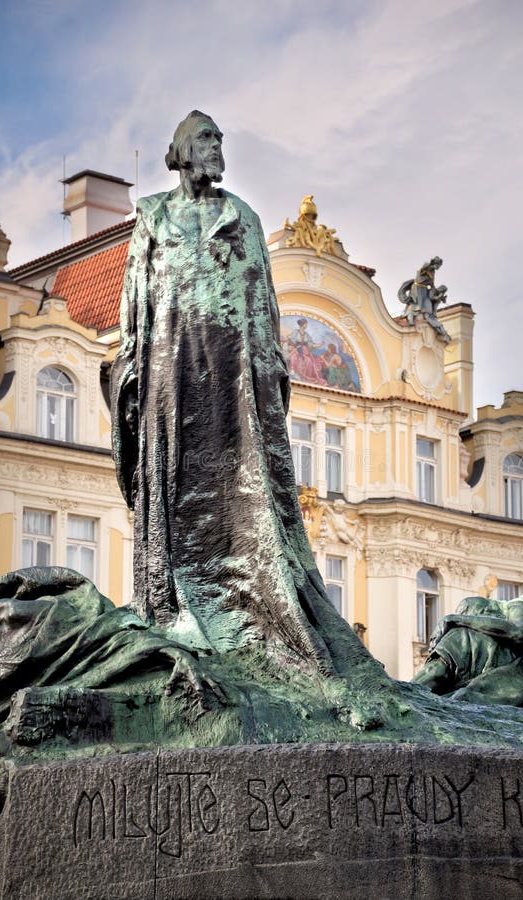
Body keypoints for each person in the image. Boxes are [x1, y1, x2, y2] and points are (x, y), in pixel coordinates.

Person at [110, 111, 372, 678]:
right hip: (170, 362)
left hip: (231, 373)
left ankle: (247, 613)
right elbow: (135, 297)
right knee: (174, 480)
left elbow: (263, 303)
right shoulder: (153, 216)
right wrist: (132, 360)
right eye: (206, 139)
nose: (217, 147)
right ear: (180, 151)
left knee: (237, 483)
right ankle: (173, 602)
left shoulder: (242, 218)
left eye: (219, 139)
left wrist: (268, 370)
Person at [412, 521, 523, 707]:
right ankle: (410, 695)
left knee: (461, 637)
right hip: (509, 613)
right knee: (467, 606)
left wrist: (455, 620)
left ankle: (408, 696)